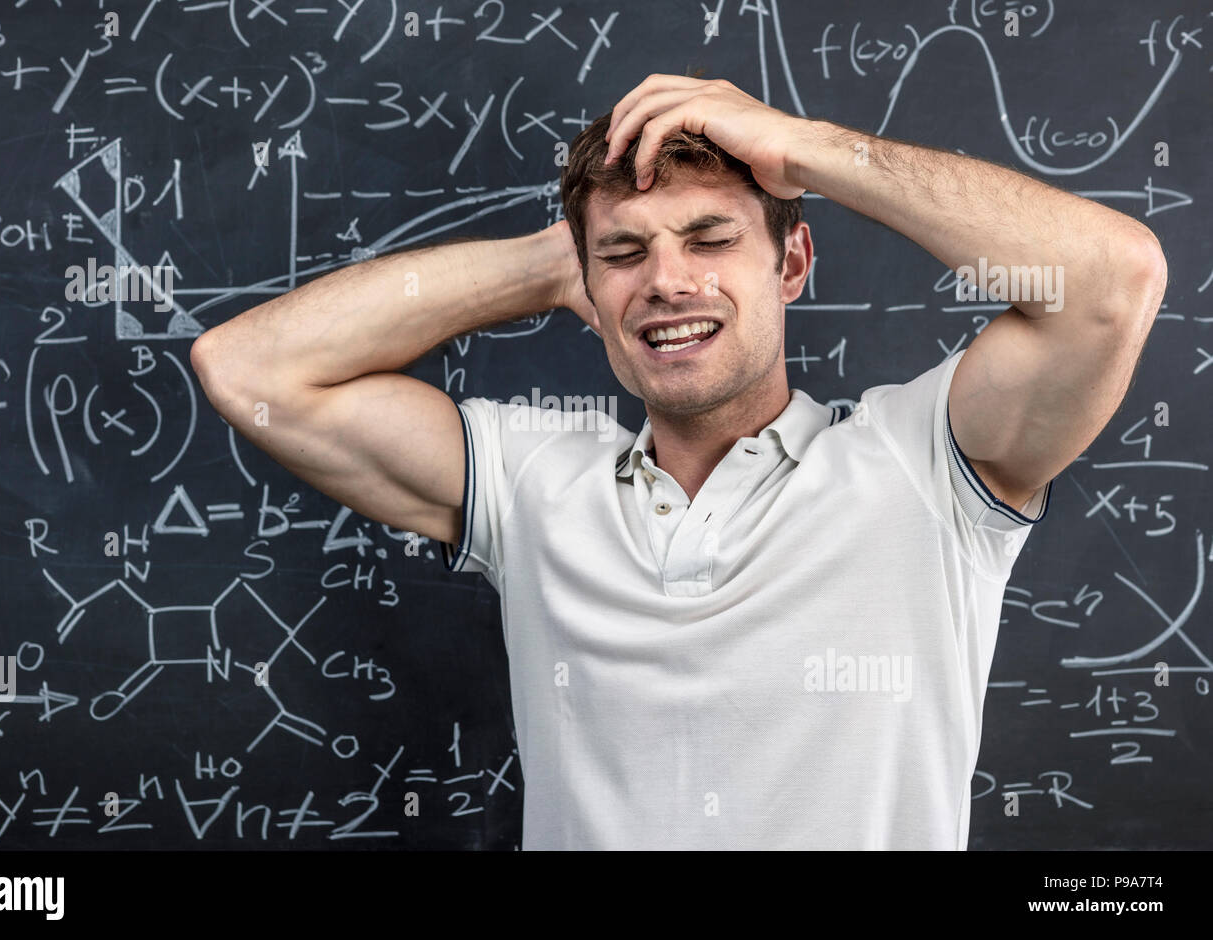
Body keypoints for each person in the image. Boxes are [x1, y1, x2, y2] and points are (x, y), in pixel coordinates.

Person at [191, 74, 1167, 849]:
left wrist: (802, 149)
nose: (667, 281)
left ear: (791, 263)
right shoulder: (536, 484)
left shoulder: (922, 465)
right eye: (626, 254)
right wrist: (551, 261)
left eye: (709, 238)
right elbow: (247, 368)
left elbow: (1109, 282)